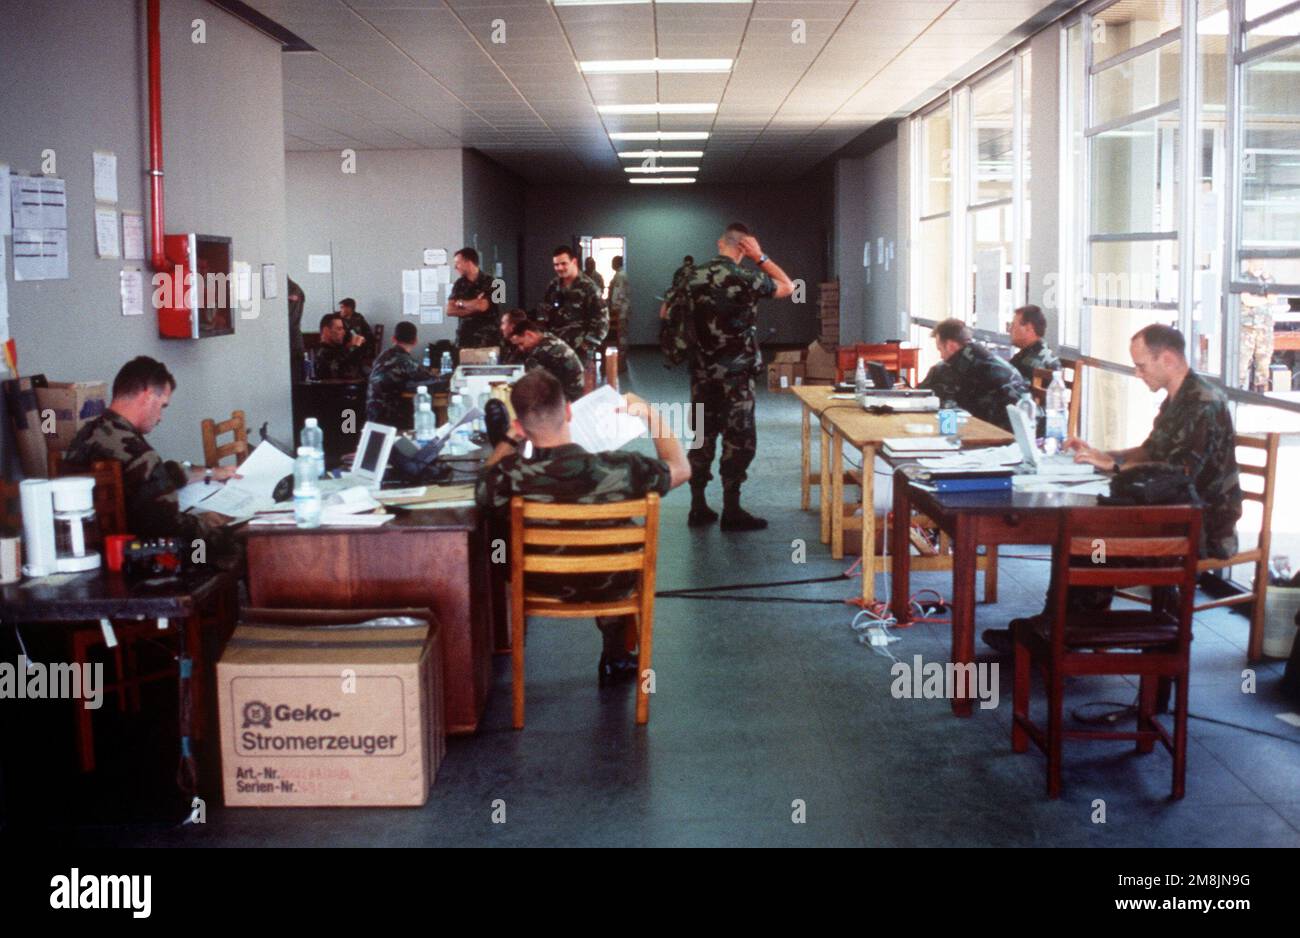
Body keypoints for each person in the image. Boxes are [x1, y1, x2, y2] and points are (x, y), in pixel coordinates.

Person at [982, 324, 1244, 653]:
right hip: (1168, 512)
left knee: (1091, 547)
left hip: (1199, 525)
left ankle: (1061, 633)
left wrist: (1116, 467)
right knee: (1084, 541)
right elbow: (1150, 451)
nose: (1137, 374)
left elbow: (1181, 474)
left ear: (1167, 359)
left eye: (1141, 365)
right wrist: (1103, 455)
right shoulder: (1180, 398)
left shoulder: (1202, 402)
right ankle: (1056, 628)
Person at [477, 369, 690, 686]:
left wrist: (509, 439)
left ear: (520, 426)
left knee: (495, 532)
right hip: (613, 580)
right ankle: (615, 654)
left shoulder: (508, 475)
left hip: (537, 581)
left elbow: (483, 490)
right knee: (615, 536)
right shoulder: (622, 467)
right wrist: (651, 414)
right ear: (568, 412)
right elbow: (682, 469)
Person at [668, 222, 794, 530]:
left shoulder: (689, 276)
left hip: (700, 373)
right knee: (738, 438)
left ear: (719, 243)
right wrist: (761, 257)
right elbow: (789, 286)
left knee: (701, 436)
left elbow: (669, 314)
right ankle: (732, 509)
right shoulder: (746, 276)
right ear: (745, 246)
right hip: (736, 376)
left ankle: (697, 506)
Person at [63, 357, 239, 559]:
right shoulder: (139, 453)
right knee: (237, 547)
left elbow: (149, 476)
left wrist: (210, 473)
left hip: (90, 556)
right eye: (163, 406)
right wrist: (215, 524)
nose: (161, 417)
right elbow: (171, 529)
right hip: (140, 561)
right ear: (147, 396)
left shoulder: (86, 435)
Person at [918, 318, 1030, 432]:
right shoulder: (982, 358)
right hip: (1020, 429)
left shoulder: (958, 368)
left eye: (940, 350)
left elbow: (928, 399)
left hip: (999, 434)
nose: (941, 356)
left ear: (951, 346)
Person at [501, 308, 584, 401]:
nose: (521, 348)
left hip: (568, 396)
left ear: (529, 335)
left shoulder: (543, 350)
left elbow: (528, 378)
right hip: (566, 391)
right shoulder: (545, 337)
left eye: (521, 344)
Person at [366, 321, 437, 430]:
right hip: (390, 418)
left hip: (371, 413)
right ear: (415, 341)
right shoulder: (406, 361)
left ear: (393, 339)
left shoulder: (383, 355)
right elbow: (431, 379)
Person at [541, 245, 606, 361]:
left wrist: (586, 346)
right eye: (556, 265)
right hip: (555, 349)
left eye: (564, 263)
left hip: (579, 352)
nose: (559, 268)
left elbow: (602, 321)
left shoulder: (589, 288)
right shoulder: (553, 286)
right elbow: (545, 313)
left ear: (574, 262)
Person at [448, 247, 500, 349]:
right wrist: (475, 304)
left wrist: (461, 304)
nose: (455, 267)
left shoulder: (495, 283)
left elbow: (482, 306)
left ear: (468, 262)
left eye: (458, 263)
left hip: (487, 339)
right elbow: (449, 310)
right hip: (465, 338)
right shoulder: (459, 284)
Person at [1239, 259, 1278, 392]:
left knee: (1263, 362)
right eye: (1255, 262)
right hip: (1247, 328)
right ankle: (1238, 394)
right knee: (1242, 362)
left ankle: (1260, 393)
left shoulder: (1268, 279)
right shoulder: (1243, 278)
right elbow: (1247, 300)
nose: (1259, 265)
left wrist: (1263, 299)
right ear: (1249, 262)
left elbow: (1273, 299)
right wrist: (1265, 299)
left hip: (1264, 328)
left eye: (1261, 262)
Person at [1008, 304, 1060, 383]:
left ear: (1029, 328)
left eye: (1014, 325)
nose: (1009, 329)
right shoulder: (1028, 352)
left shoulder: (1034, 361)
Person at [314, 312, 367, 380]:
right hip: (337, 389)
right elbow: (343, 372)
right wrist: (354, 347)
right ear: (326, 331)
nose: (343, 332)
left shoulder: (336, 348)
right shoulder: (322, 352)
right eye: (339, 329)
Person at [607, 255, 630, 366]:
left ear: (617, 263)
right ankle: (622, 359)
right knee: (622, 335)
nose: (612, 264)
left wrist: (614, 308)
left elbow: (619, 294)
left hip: (621, 311)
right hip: (622, 310)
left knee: (621, 336)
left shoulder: (620, 276)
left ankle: (622, 361)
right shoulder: (620, 274)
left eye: (613, 262)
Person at [287, 277, 306, 383]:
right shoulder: (293, 288)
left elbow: (290, 320)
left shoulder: (293, 289)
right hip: (292, 343)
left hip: (292, 344)